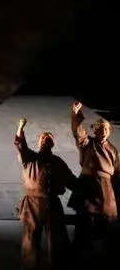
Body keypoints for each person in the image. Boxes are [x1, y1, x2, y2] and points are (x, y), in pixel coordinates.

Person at [15, 118, 76, 270]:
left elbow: (70, 179)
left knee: (56, 236)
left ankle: (58, 264)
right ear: (39, 143)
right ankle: (30, 265)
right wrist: (20, 127)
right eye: (43, 139)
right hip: (32, 202)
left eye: (48, 140)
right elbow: (20, 145)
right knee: (30, 236)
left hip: (51, 201)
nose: (45, 141)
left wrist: (86, 191)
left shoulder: (57, 162)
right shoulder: (30, 158)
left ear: (52, 144)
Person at [67, 101, 119, 254]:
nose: (103, 131)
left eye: (105, 129)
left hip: (106, 188)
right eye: (99, 129)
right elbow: (78, 132)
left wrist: (114, 193)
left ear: (109, 132)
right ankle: (80, 252)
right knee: (84, 219)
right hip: (88, 185)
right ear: (95, 131)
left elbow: (117, 172)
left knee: (106, 222)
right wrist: (76, 113)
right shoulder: (87, 143)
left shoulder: (113, 150)